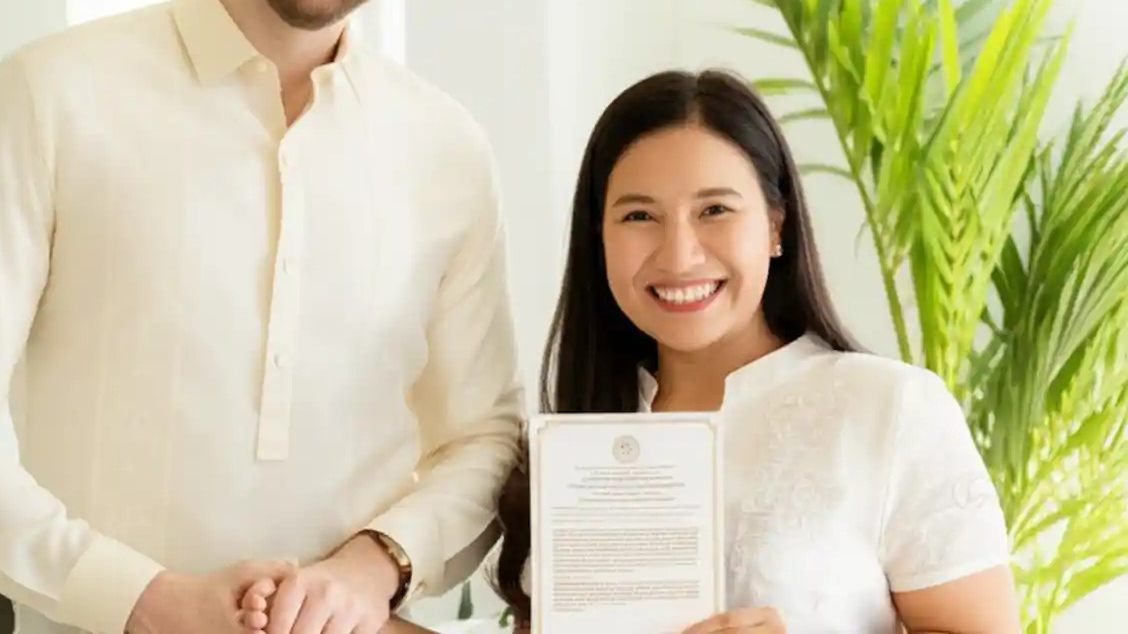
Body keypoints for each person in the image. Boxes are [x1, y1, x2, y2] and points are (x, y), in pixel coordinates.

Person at [0, 0, 524, 633]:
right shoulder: (52, 93)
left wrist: (374, 566)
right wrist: (142, 599)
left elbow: (485, 436)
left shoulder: (447, 148)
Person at [311, 68, 1021, 633]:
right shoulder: (581, 439)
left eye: (715, 210)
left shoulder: (888, 407)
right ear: (601, 239)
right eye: (639, 216)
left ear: (776, 226)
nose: (679, 254)